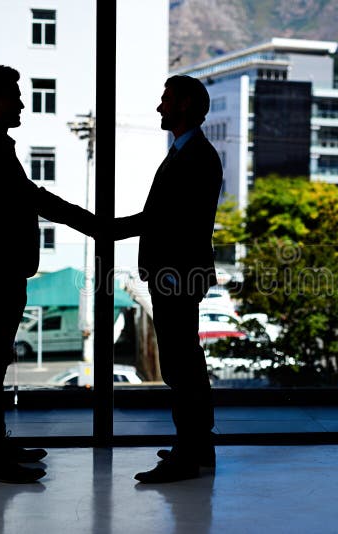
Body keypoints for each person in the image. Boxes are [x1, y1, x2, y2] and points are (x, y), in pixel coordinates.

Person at [0, 65, 97, 484]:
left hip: (2, 273)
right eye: (15, 95)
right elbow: (34, 199)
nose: (23, 102)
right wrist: (99, 226)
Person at [101, 75, 223, 483]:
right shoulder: (187, 153)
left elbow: (162, 219)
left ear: (185, 104)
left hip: (177, 274)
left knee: (179, 365)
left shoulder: (196, 157)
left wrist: (104, 228)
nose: (159, 107)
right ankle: (197, 446)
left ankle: (186, 455)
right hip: (178, 272)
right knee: (187, 361)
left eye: (166, 100)